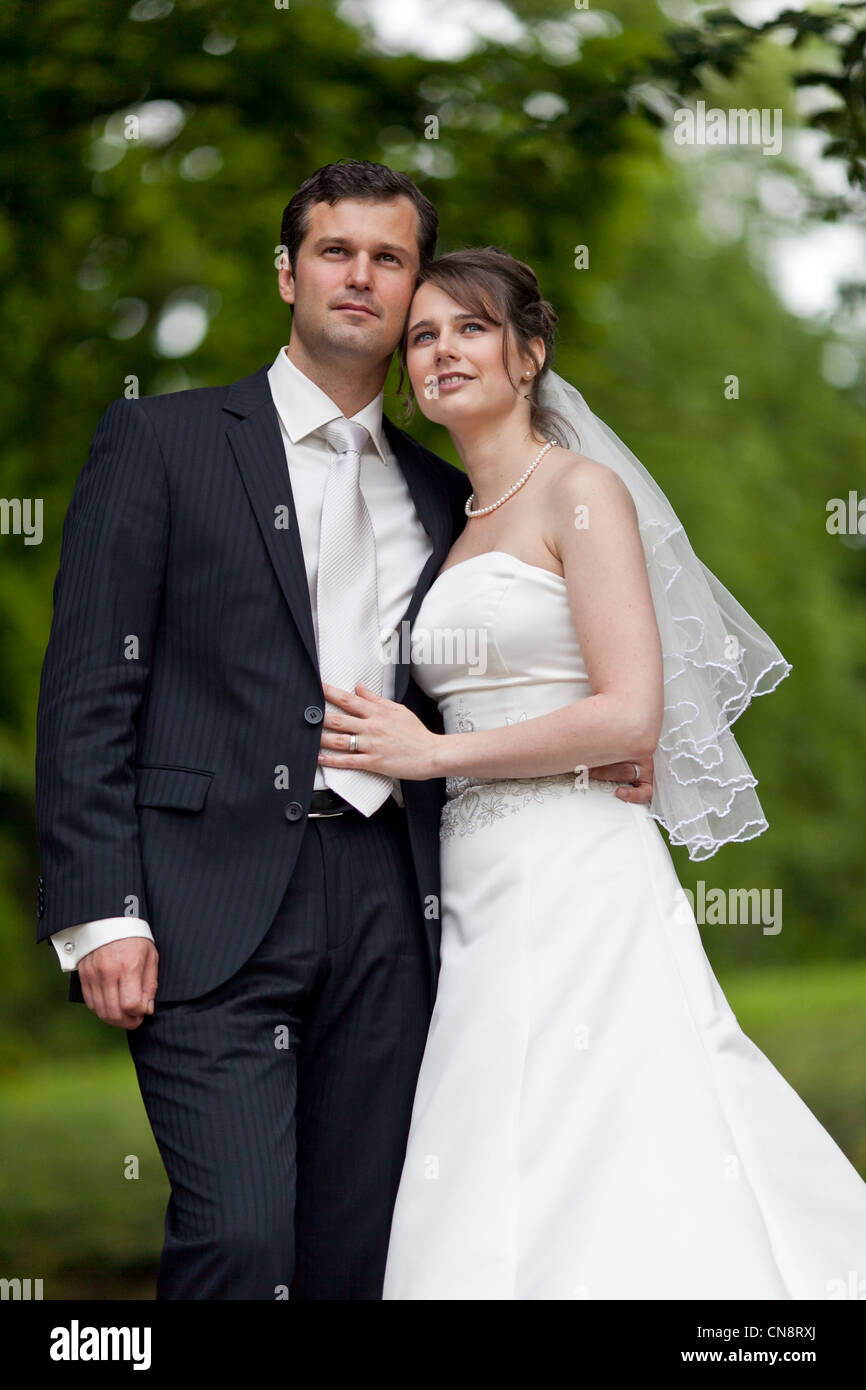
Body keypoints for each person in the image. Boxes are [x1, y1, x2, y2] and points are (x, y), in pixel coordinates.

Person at [33, 162, 651, 1300]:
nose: (358, 276)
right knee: (242, 1241)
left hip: (400, 903)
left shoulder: (445, 491)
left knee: (365, 1250)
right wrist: (95, 908)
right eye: (333, 251)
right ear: (286, 273)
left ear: (411, 288)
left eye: (388, 258)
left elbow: (508, 661)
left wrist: (601, 725)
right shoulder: (160, 442)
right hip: (204, 896)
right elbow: (86, 688)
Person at [315, 246, 866, 1300]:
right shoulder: (454, 518)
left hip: (577, 861)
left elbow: (627, 709)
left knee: (613, 1121)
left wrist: (434, 753)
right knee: (491, 1134)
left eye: (468, 328)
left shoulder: (580, 491)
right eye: (421, 337)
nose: (439, 352)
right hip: (474, 875)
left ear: (527, 354)